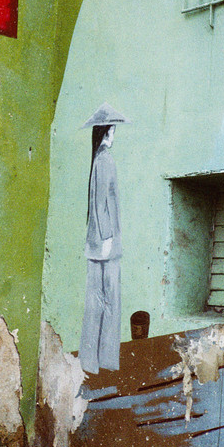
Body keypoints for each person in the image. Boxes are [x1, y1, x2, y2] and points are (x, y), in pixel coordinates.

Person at [78, 103, 129, 374]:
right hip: (106, 244)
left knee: (96, 302)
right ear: (108, 131)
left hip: (96, 243)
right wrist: (107, 236)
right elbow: (102, 204)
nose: (115, 134)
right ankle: (106, 359)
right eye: (113, 130)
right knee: (110, 302)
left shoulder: (96, 160)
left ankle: (91, 360)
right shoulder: (105, 160)